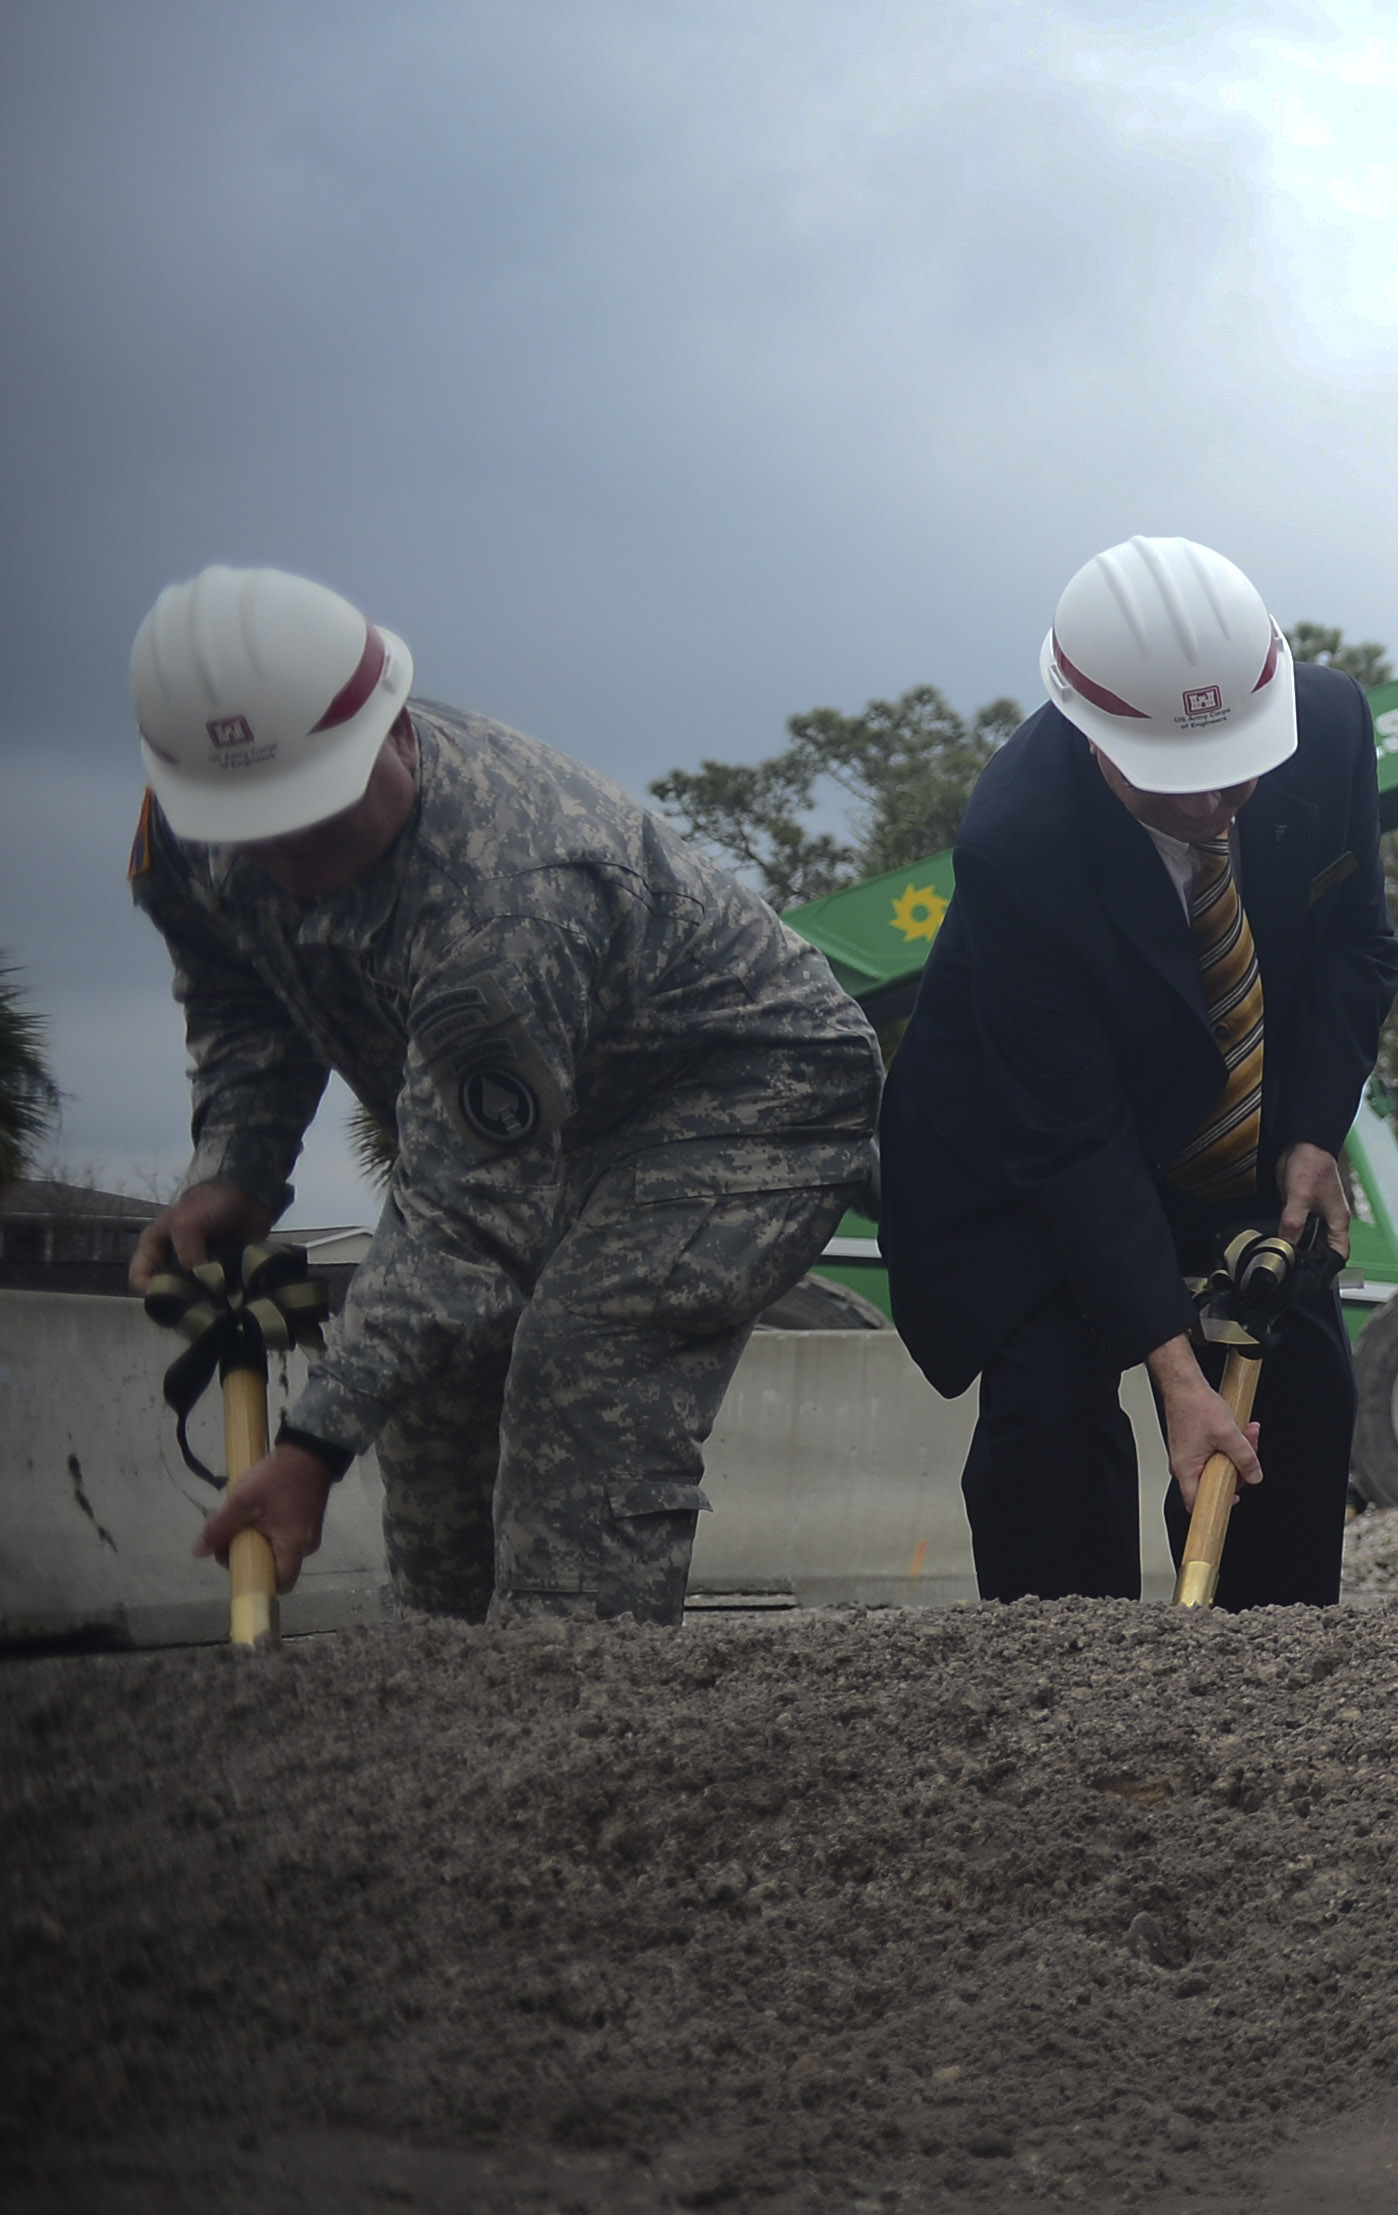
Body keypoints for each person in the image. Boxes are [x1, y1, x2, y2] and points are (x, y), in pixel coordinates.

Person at [128, 565, 878, 1623]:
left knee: (584, 1365)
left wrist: (308, 1448)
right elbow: (241, 987)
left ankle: (577, 1689)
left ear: (394, 731)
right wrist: (235, 1167)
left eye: (316, 811)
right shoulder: (193, 825)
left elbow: (469, 1223)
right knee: (436, 1381)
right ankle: (450, 1685)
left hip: (742, 1092)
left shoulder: (508, 899)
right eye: (259, 825)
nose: (291, 853)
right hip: (551, 1112)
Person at [879, 537, 1398, 1606]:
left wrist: (1312, 1130)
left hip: (1231, 1124)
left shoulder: (1331, 726)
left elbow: (1357, 945)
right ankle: (1071, 1675)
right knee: (1051, 1416)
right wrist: (1174, 1371)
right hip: (1024, 1154)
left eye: (1233, 768)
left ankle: (1272, 1668)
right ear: (1092, 731)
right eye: (1173, 779)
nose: (1212, 803)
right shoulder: (1018, 843)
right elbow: (1073, 1138)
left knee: (1297, 1392)